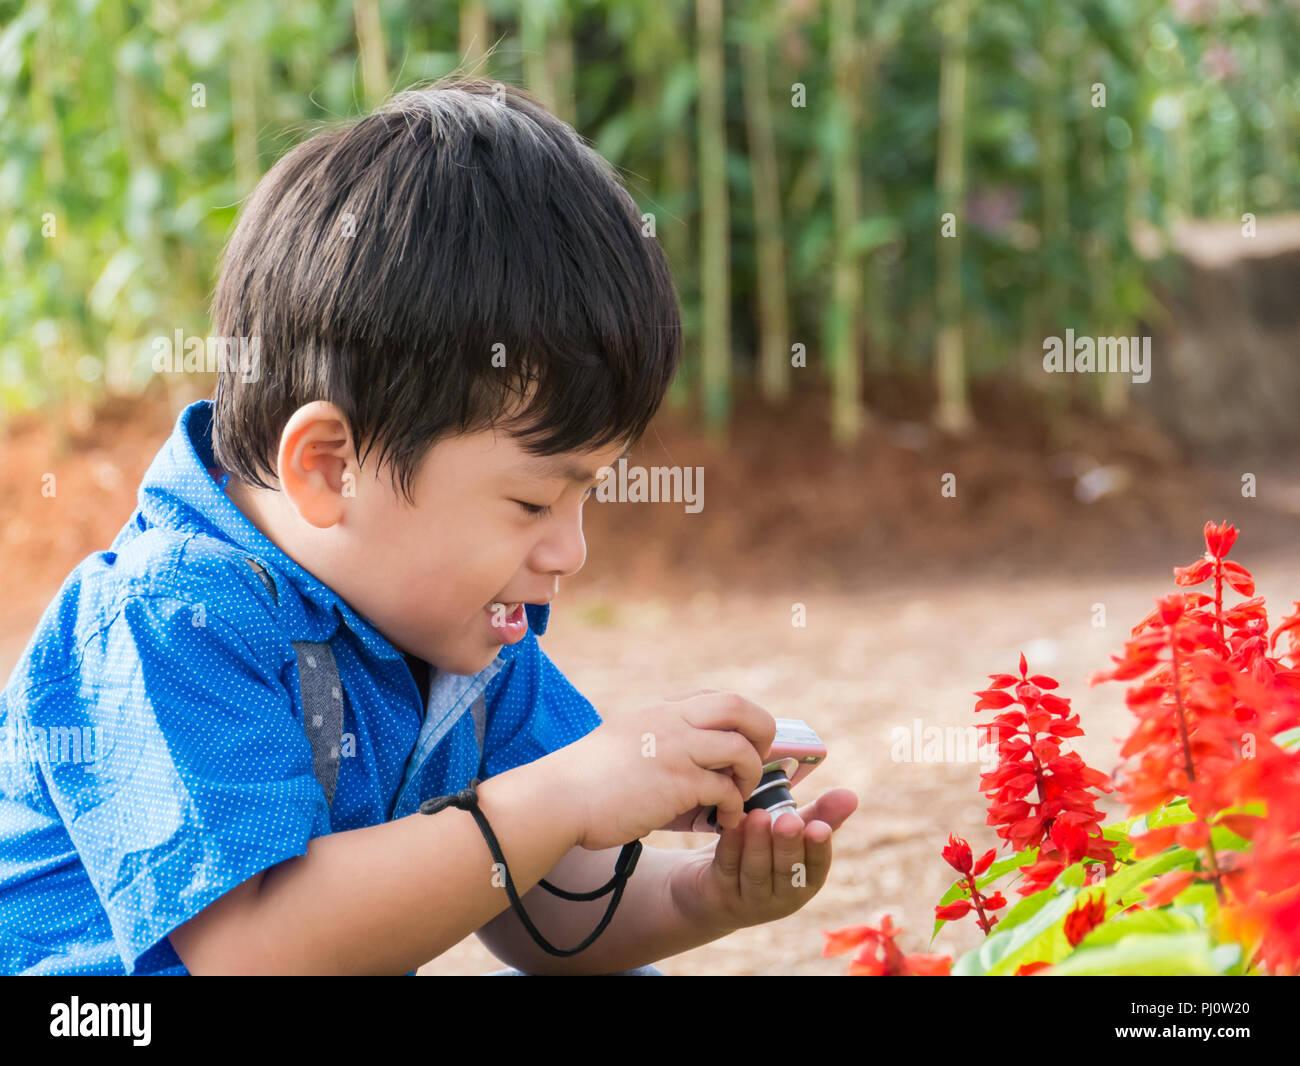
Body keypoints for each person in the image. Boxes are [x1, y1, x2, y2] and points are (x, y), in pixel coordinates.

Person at [0, 75, 858, 976]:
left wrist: (702, 894)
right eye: (532, 503)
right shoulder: (171, 617)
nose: (571, 552)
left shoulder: (461, 635)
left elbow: (551, 901)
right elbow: (259, 953)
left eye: (585, 497)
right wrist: (564, 791)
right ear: (330, 469)